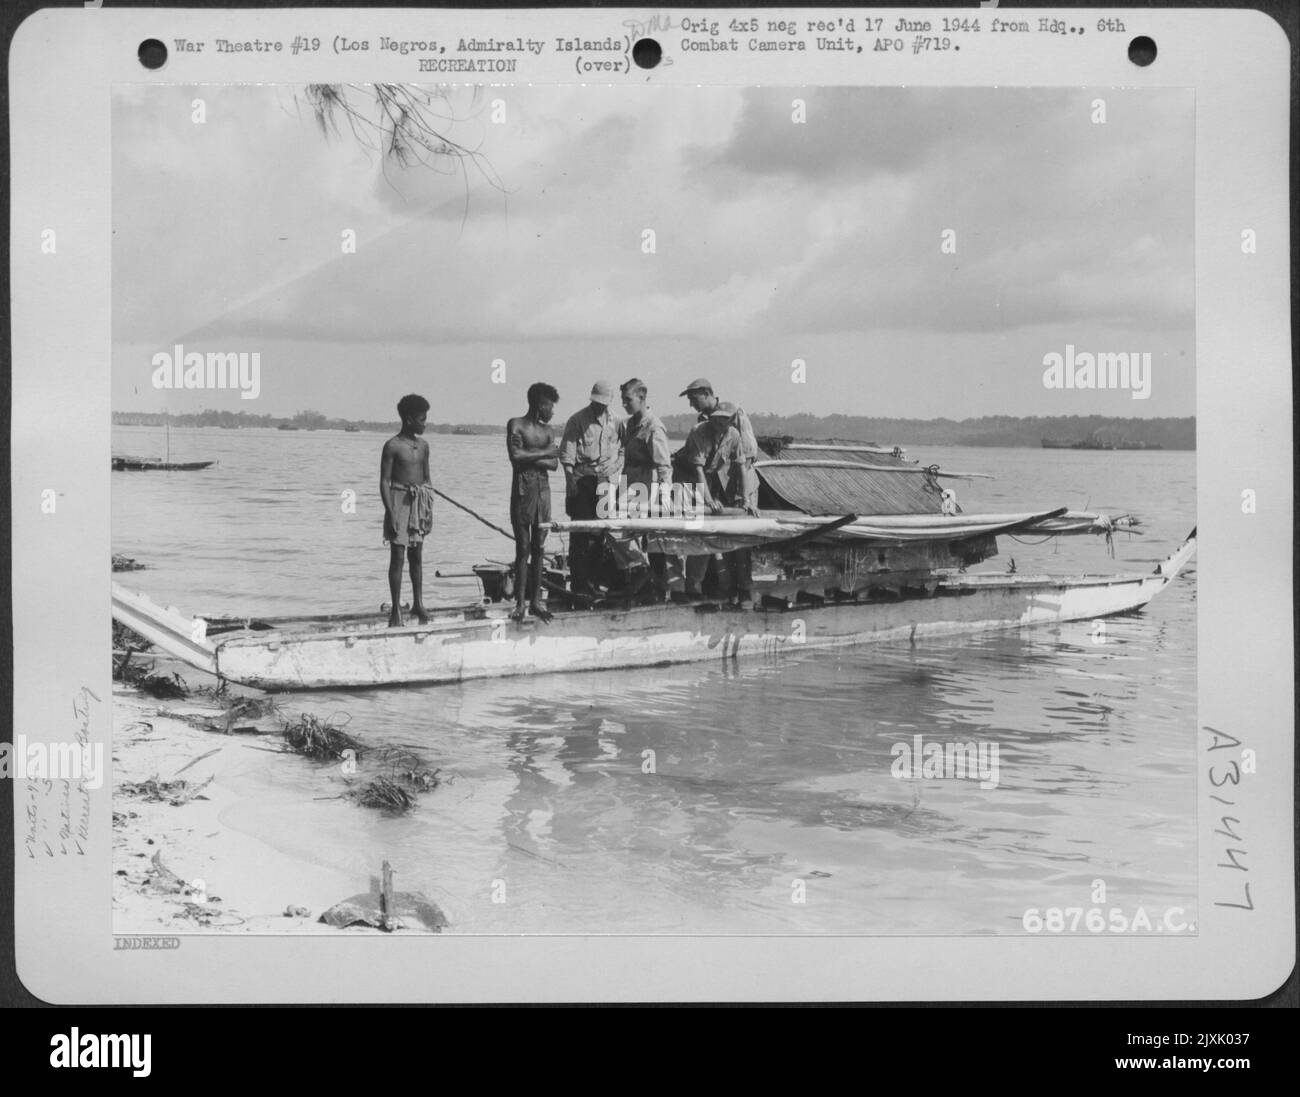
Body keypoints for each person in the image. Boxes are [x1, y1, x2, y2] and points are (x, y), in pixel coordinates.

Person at [681, 405, 754, 605]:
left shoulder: (734, 434)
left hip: (715, 482)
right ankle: (693, 588)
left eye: (724, 420)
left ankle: (737, 589)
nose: (720, 423)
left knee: (735, 538)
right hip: (690, 480)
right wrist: (708, 500)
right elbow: (698, 471)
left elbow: (741, 467)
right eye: (716, 419)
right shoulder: (699, 432)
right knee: (700, 534)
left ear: (730, 421)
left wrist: (745, 497)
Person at [559, 380, 623, 594]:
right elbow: (567, 456)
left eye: (603, 403)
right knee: (580, 535)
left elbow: (623, 450)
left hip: (605, 484)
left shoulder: (616, 421)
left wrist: (614, 467)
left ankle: (595, 583)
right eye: (596, 402)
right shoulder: (577, 420)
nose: (600, 406)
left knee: (600, 535)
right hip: (582, 481)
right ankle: (580, 586)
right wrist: (570, 485)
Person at [506, 383, 561, 623]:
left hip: (543, 491)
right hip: (522, 490)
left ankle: (536, 601)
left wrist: (535, 456)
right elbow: (515, 457)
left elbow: (555, 464)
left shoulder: (549, 431)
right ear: (540, 405)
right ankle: (520, 603)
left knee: (539, 547)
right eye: (550, 406)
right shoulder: (516, 424)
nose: (552, 412)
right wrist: (545, 453)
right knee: (523, 548)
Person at [380, 394, 435, 627]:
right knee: (398, 556)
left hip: (419, 502)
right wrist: (391, 513)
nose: (425, 423)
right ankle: (395, 611)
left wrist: (428, 510)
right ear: (410, 419)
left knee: (417, 556)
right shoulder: (392, 446)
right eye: (422, 419)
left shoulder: (423, 446)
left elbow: (428, 478)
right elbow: (384, 481)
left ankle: (418, 604)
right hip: (398, 501)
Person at [618, 378, 673, 600]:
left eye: (628, 400)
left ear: (641, 399)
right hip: (629, 484)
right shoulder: (630, 424)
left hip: (647, 487)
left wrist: (665, 495)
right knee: (622, 532)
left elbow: (663, 465)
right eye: (622, 400)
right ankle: (641, 576)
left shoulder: (653, 426)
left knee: (652, 539)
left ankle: (655, 584)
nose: (624, 404)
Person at [678, 378, 760, 514]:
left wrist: (743, 497)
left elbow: (748, 455)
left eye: (693, 399)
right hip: (719, 486)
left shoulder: (734, 414)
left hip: (741, 485)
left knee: (745, 520)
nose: (691, 404)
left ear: (706, 394)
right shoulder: (702, 422)